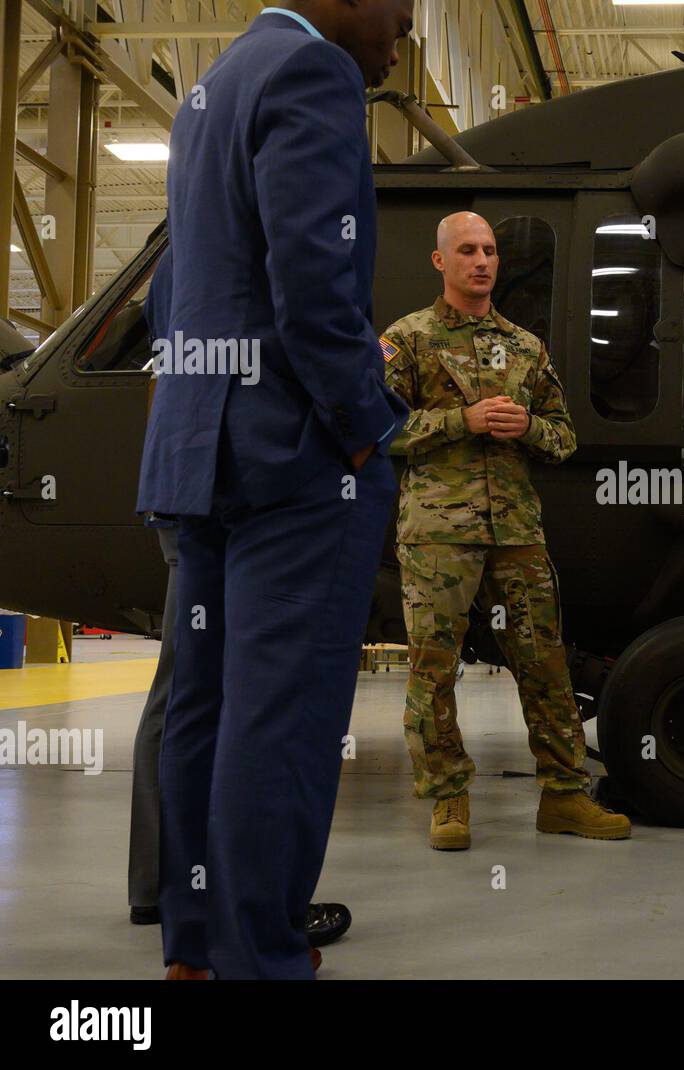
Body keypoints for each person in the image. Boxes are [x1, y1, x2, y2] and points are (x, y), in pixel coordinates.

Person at [135, 0, 412, 978]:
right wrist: (369, 427)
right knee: (280, 719)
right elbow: (312, 280)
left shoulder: (208, 92)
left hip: (196, 450)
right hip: (291, 459)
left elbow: (178, 284)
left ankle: (197, 945)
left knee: (203, 709)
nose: (404, 34)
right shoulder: (313, 72)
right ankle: (261, 955)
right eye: (402, 10)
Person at [380, 211, 630, 849]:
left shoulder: (525, 346)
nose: (482, 261)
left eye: (489, 250)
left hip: (516, 529)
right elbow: (378, 432)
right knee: (433, 671)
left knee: (544, 664)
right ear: (441, 261)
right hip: (439, 532)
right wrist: (462, 420)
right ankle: (448, 801)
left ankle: (566, 796)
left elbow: (565, 435)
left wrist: (530, 430)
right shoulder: (406, 340)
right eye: (467, 250)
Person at [128, 249, 351, 956]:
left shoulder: (182, 256)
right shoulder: (257, 236)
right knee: (223, 694)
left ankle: (179, 894)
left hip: (187, 466)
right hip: (232, 470)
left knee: (192, 690)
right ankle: (220, 899)